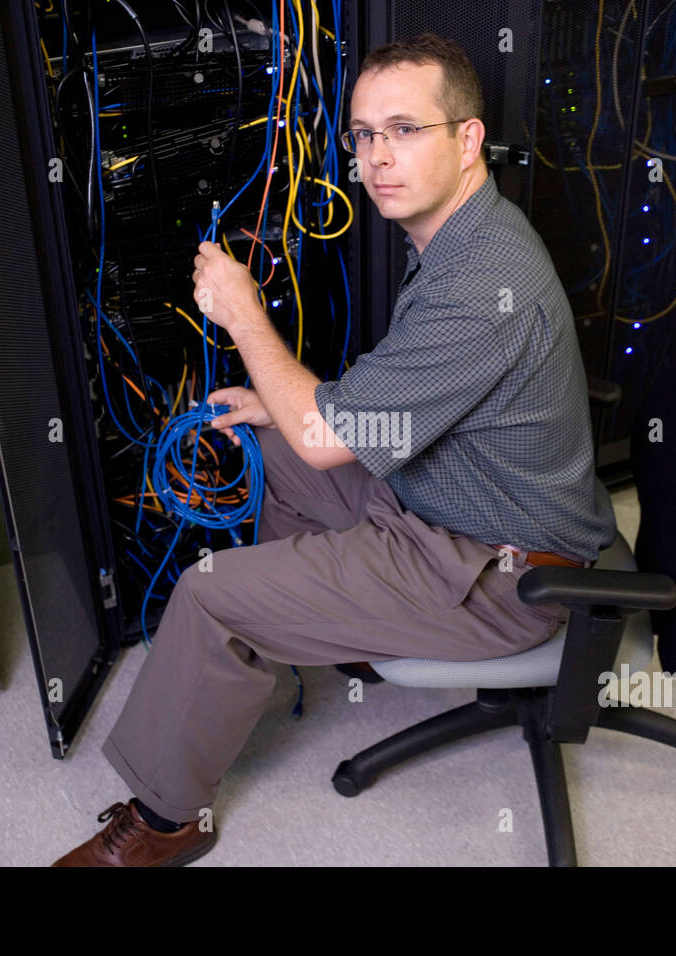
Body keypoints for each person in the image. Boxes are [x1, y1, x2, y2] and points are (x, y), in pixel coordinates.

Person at [52, 31, 616, 867]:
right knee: (271, 442)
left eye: (405, 130)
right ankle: (320, 624)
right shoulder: (470, 233)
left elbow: (328, 436)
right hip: (450, 505)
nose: (377, 157)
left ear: (468, 139)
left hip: (500, 574)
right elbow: (360, 416)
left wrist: (245, 316)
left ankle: (165, 824)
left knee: (208, 595)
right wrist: (283, 409)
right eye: (363, 135)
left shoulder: (480, 288)